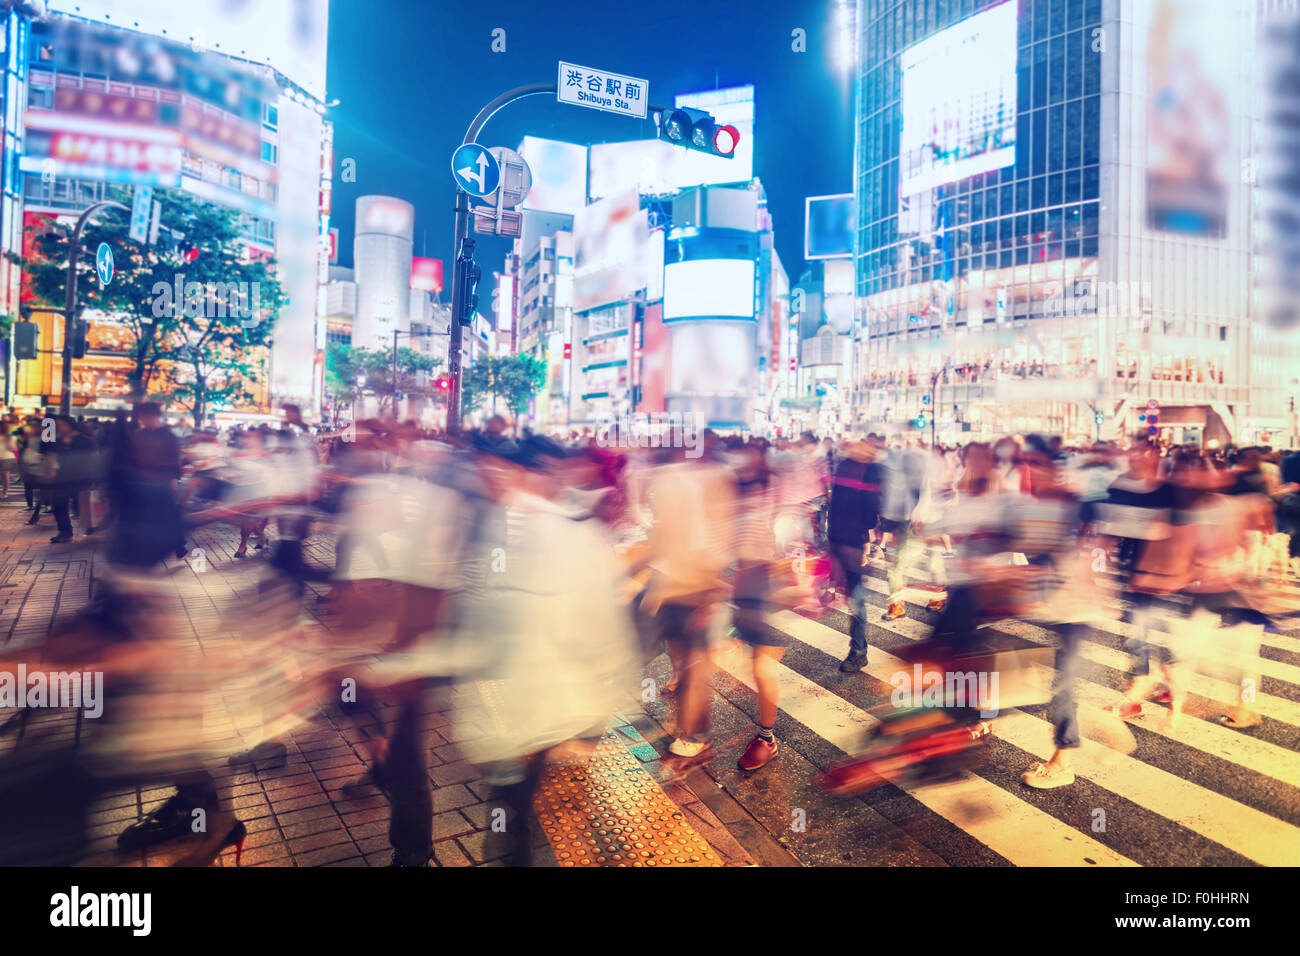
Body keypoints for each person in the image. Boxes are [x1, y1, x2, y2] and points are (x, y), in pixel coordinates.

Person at [826, 438, 882, 672]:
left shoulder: (869, 471)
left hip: (851, 541)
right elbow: (837, 502)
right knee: (851, 595)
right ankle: (858, 650)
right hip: (840, 537)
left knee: (856, 596)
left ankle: (859, 651)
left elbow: (870, 512)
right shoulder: (847, 466)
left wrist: (867, 543)